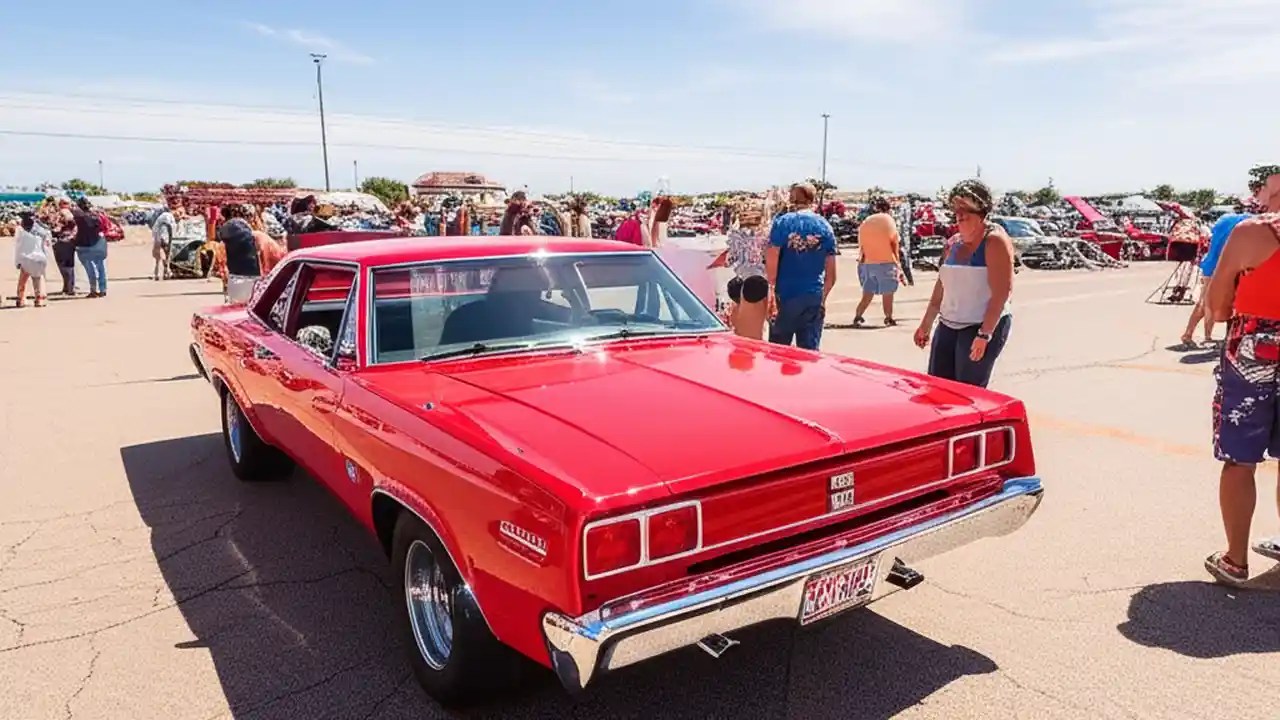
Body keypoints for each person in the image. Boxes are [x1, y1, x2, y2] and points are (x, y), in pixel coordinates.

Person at [1203, 169, 1280, 586]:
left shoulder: (1254, 232)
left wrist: (1222, 313)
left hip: (1255, 341)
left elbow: (1218, 300)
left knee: (1240, 457)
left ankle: (1235, 559)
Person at [914, 180, 1015, 388]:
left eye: (966, 209)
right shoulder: (953, 243)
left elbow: (1002, 293)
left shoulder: (995, 241)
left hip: (980, 326)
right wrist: (925, 324)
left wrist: (984, 335)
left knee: (968, 392)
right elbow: (940, 289)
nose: (960, 215)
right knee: (937, 388)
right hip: (949, 323)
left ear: (982, 212)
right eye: (956, 209)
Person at [765, 182, 838, 350]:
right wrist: (823, 299)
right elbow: (832, 274)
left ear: (792, 198)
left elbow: (772, 257)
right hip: (813, 295)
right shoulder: (825, 226)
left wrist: (771, 288)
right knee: (809, 354)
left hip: (785, 295)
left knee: (779, 352)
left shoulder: (783, 222)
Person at [1184, 204, 1252, 345]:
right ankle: (1204, 337)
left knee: (1205, 301)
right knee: (1209, 303)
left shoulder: (1223, 220)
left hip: (1210, 263)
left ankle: (1191, 334)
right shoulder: (1246, 222)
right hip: (1220, 266)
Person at [854, 197, 904, 327]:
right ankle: (888, 317)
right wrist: (898, 263)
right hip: (886, 261)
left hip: (867, 262)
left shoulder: (866, 221)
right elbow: (894, 243)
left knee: (867, 293)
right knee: (888, 293)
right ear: (888, 209)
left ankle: (858, 315)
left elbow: (861, 244)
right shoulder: (889, 220)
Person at [217, 205, 262, 304]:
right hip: (254, 276)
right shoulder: (255, 234)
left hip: (235, 277)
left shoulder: (226, 231)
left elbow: (223, 260)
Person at [71, 196, 108, 298]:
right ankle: (103, 289)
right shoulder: (97, 216)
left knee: (90, 269)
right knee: (101, 267)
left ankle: (93, 290)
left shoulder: (78, 218)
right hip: (98, 242)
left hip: (84, 245)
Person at [13, 211, 51, 308]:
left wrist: (17, 261)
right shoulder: (43, 230)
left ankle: (20, 299)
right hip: (39, 257)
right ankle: (39, 300)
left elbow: (18, 247)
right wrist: (46, 258)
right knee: (38, 279)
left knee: (23, 279)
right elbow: (46, 246)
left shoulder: (20, 231)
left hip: (25, 258)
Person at [47, 198, 78, 295]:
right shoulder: (72, 214)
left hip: (60, 240)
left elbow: (55, 227)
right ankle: (69, 287)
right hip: (69, 241)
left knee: (63, 265)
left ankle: (69, 287)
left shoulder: (59, 214)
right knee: (69, 265)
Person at [151, 203, 178, 281]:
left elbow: (155, 228)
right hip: (165, 238)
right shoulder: (169, 216)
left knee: (157, 258)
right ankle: (166, 272)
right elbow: (171, 227)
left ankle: (157, 274)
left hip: (158, 238)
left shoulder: (160, 218)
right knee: (166, 256)